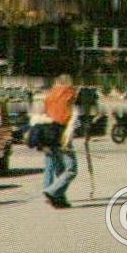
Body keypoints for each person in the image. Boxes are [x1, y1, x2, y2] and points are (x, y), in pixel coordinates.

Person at [40, 73, 78, 208]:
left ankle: (59, 199)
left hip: (47, 134)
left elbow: (44, 114)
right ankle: (51, 191)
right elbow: (73, 117)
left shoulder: (50, 95)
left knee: (57, 167)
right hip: (62, 135)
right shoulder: (70, 94)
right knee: (71, 169)